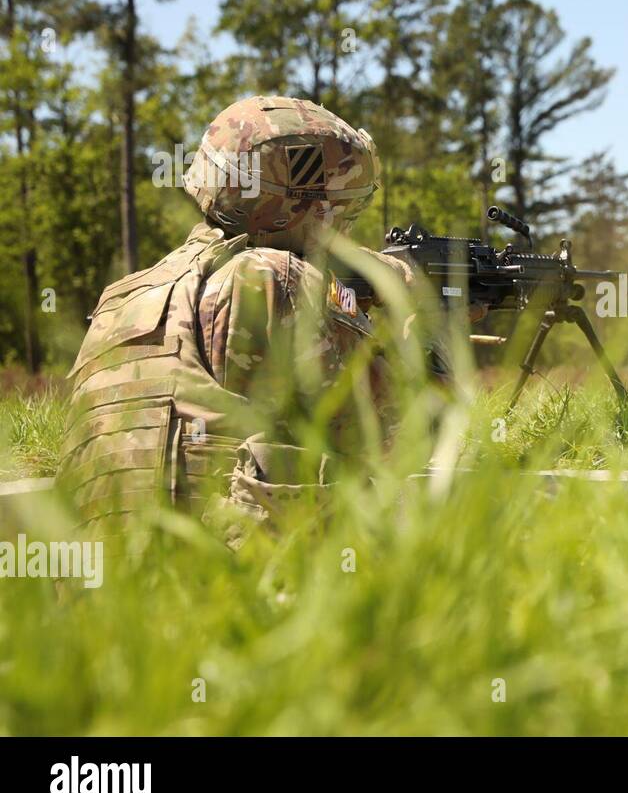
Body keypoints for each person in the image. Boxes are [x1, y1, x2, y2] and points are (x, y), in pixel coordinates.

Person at [58, 95, 438, 540]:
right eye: (344, 208)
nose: (343, 228)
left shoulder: (121, 296)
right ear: (306, 207)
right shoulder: (279, 276)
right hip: (217, 588)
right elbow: (396, 443)